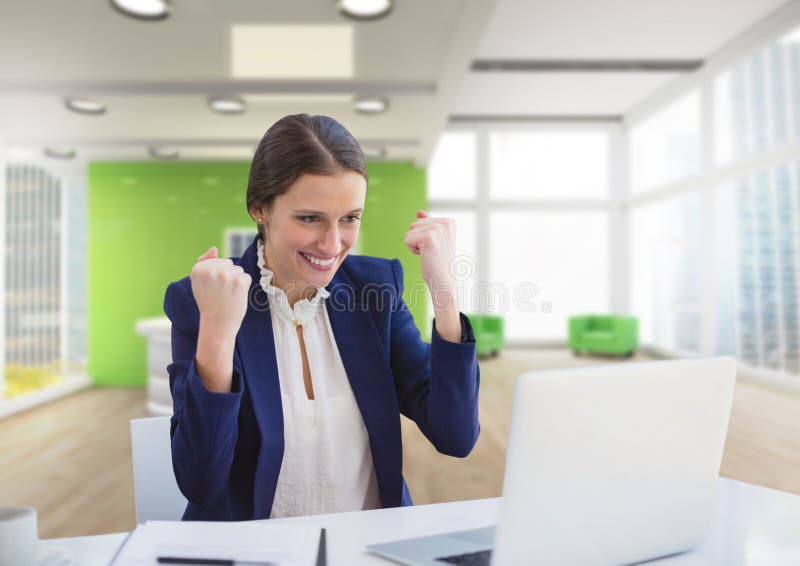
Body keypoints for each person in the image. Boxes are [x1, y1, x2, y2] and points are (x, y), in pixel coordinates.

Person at [163, 113, 480, 521]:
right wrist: (219, 333)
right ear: (260, 208)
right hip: (256, 551)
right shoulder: (200, 299)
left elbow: (455, 436)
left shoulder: (375, 290)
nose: (333, 244)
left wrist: (445, 291)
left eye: (349, 218)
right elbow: (201, 482)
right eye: (310, 218)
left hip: (368, 547)